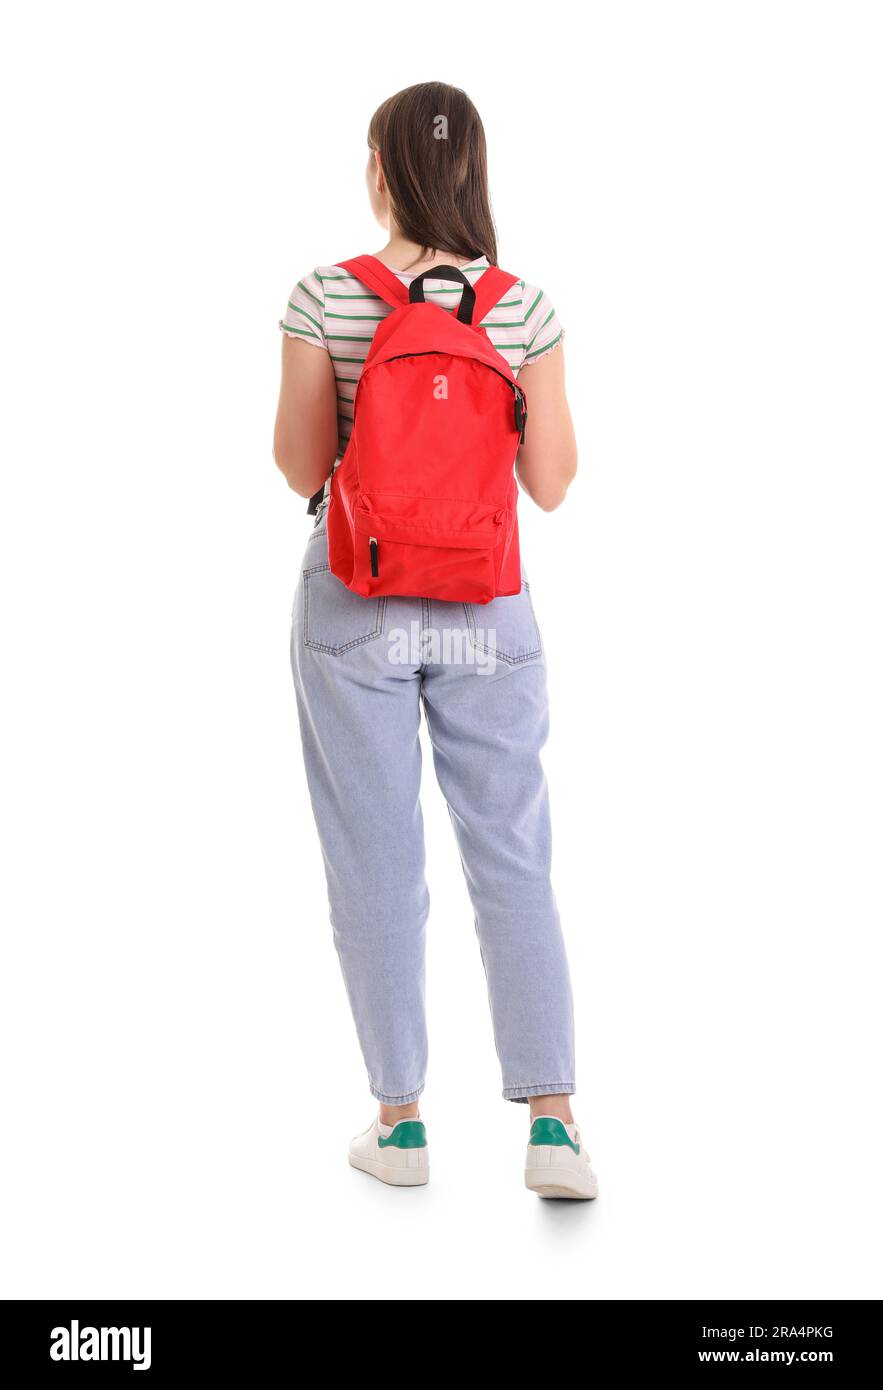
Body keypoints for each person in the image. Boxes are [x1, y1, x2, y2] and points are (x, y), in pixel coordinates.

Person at [273, 82, 597, 1200]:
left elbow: (300, 464)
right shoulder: (526, 307)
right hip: (484, 606)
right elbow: (549, 486)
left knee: (375, 856)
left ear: (380, 169)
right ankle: (552, 1127)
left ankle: (400, 1125)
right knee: (510, 848)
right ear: (473, 173)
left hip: (354, 603)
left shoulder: (324, 295)